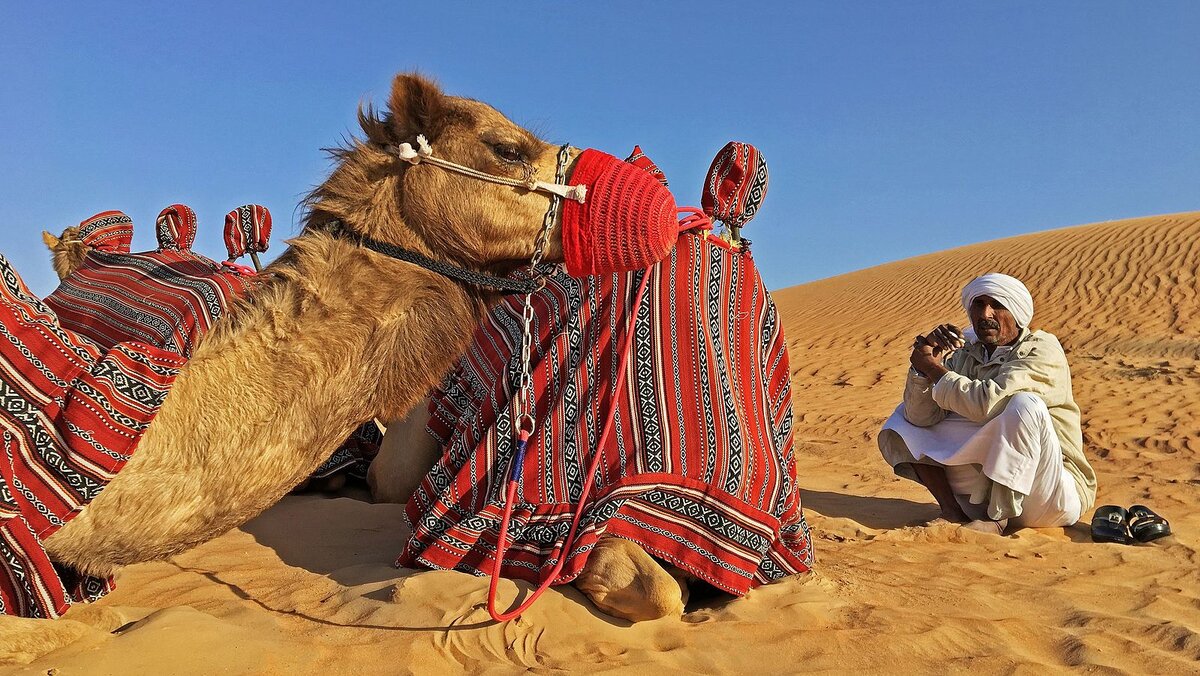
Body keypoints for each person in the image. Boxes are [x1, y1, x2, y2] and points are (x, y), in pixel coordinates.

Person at [877, 273, 1097, 533]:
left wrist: (935, 371)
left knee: (1024, 405)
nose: (985, 314)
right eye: (978, 305)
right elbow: (921, 418)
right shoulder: (965, 354)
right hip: (979, 500)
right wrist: (923, 370)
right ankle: (951, 511)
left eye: (997, 305)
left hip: (1049, 496)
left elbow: (986, 403)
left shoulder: (1042, 348)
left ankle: (999, 520)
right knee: (904, 416)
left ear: (1016, 312)